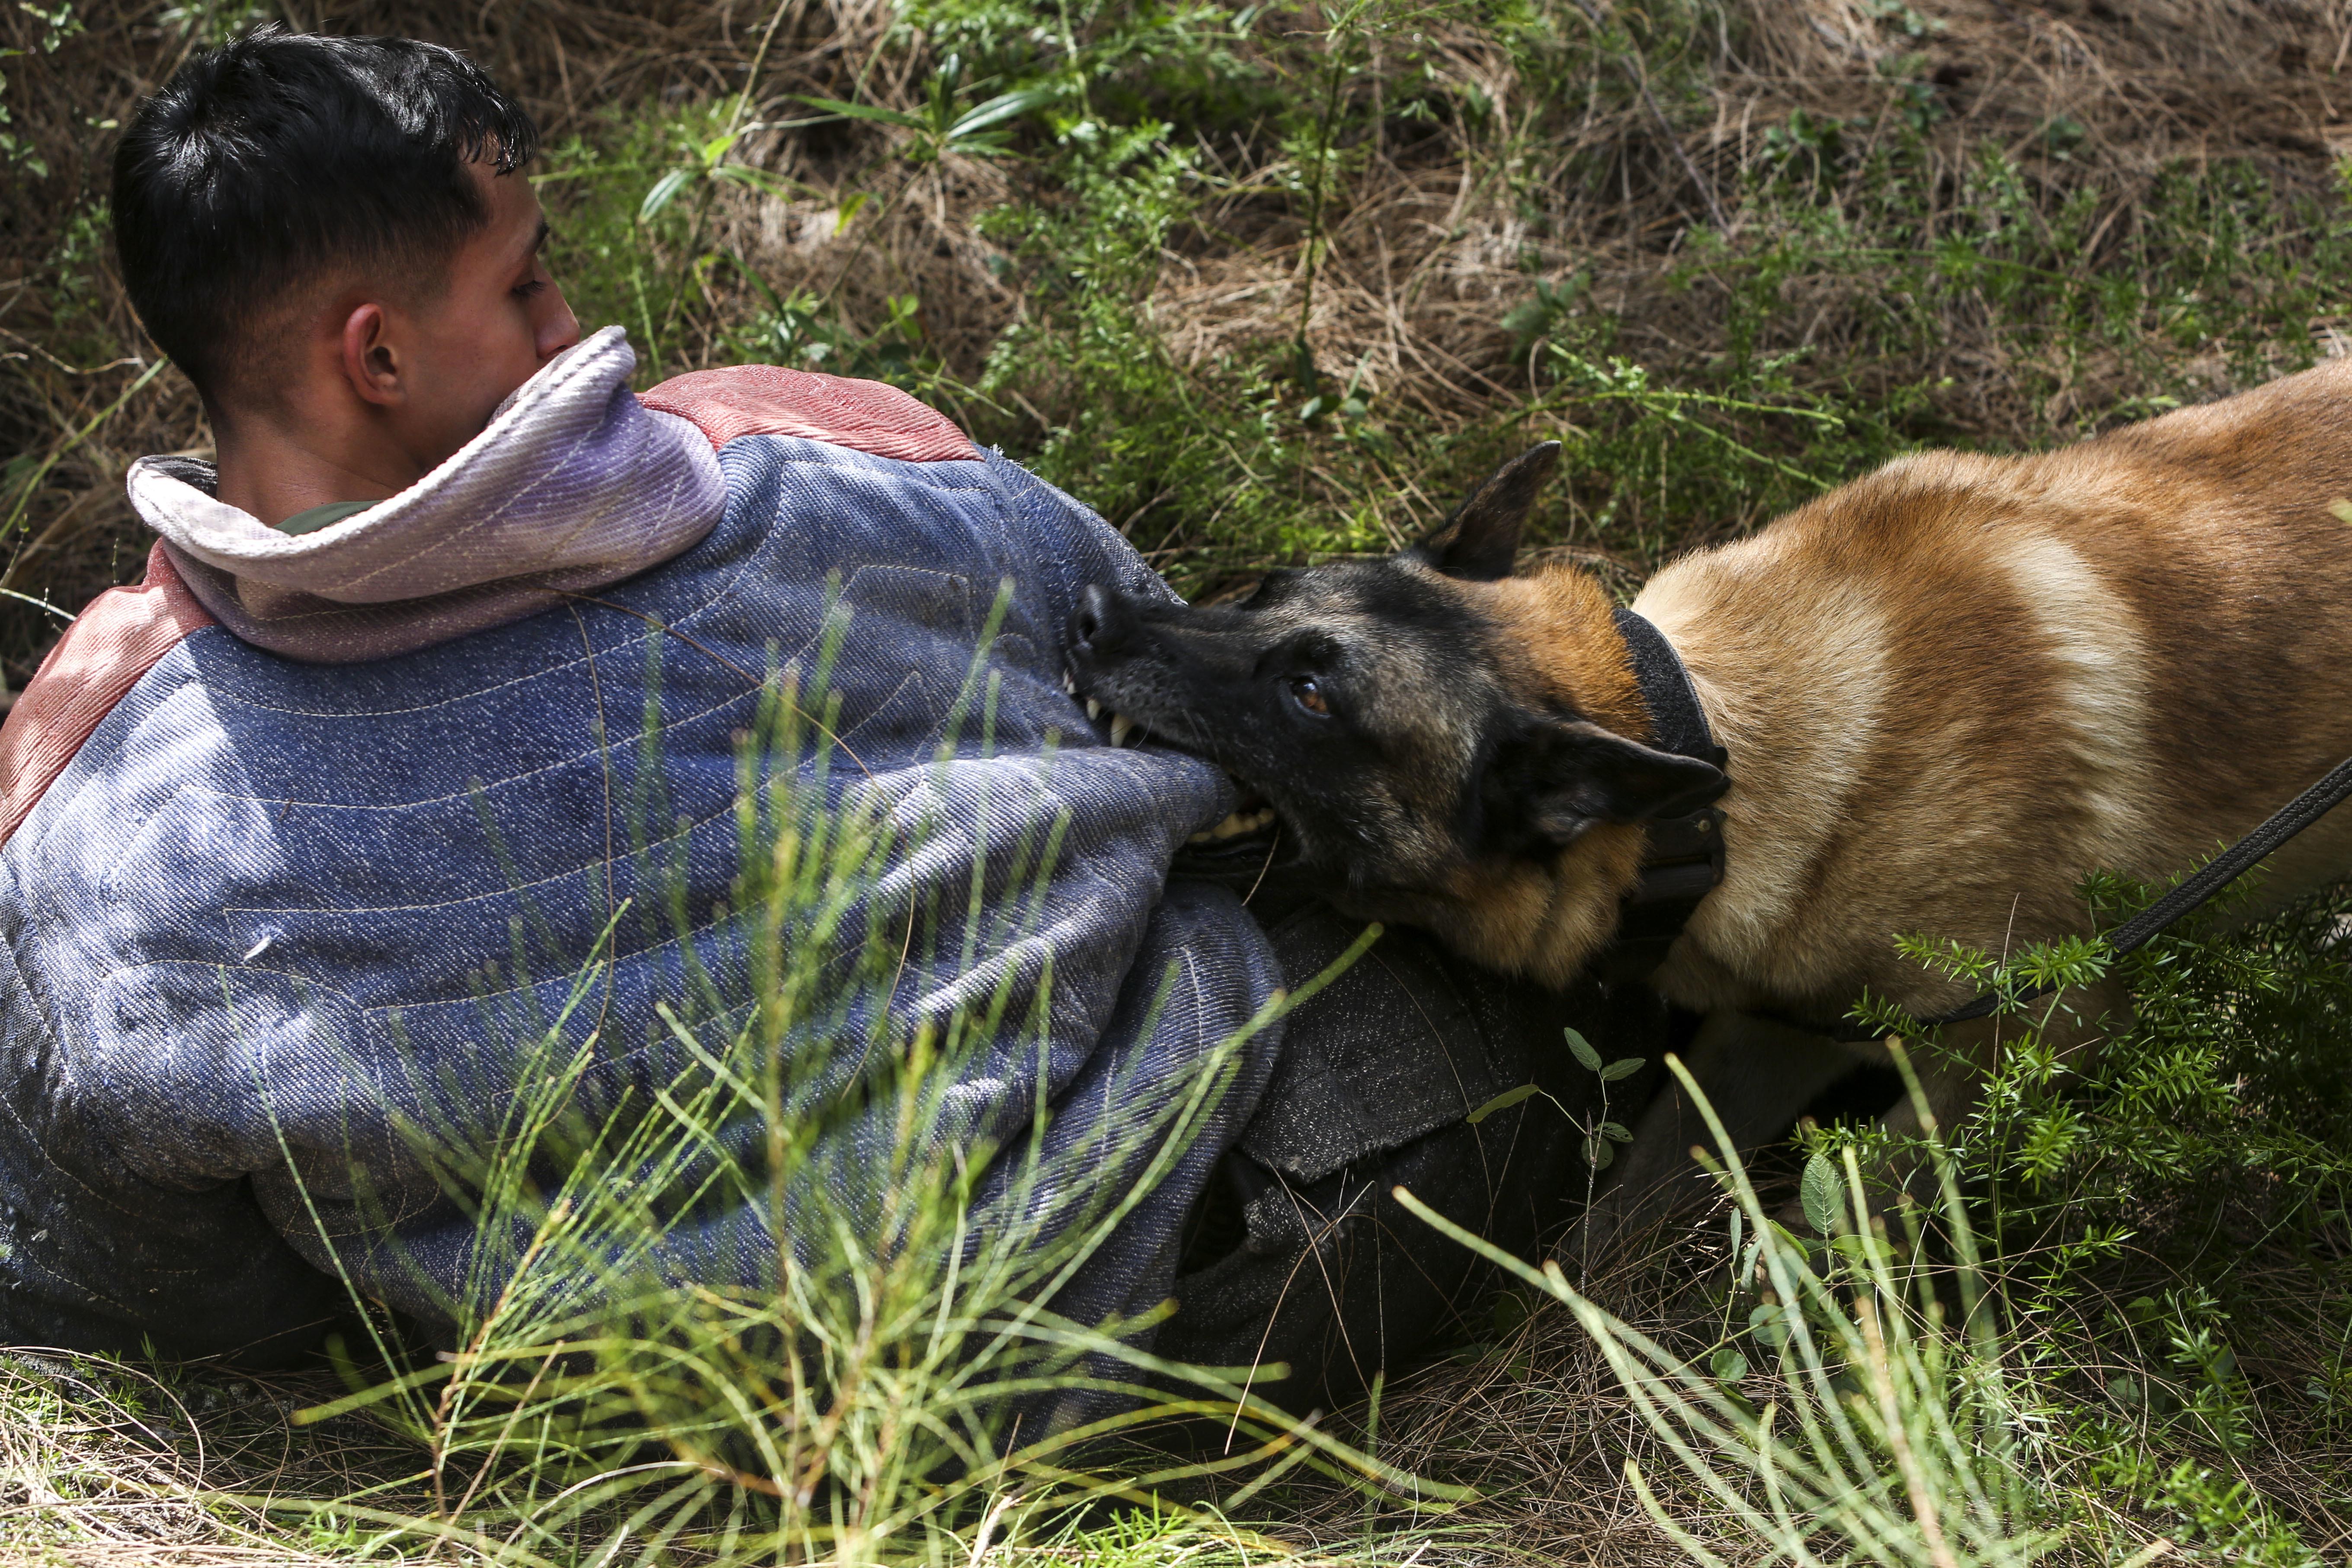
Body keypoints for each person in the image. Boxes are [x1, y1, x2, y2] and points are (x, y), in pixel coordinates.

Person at [0, 26, 1641, 1408]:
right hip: (1176, 1284)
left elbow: (150, 1277)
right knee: (1483, 938)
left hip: (626, 1423)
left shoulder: (97, 805)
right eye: (527, 278)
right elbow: (1165, 683)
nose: (570, 324)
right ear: (377, 353)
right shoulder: (837, 481)